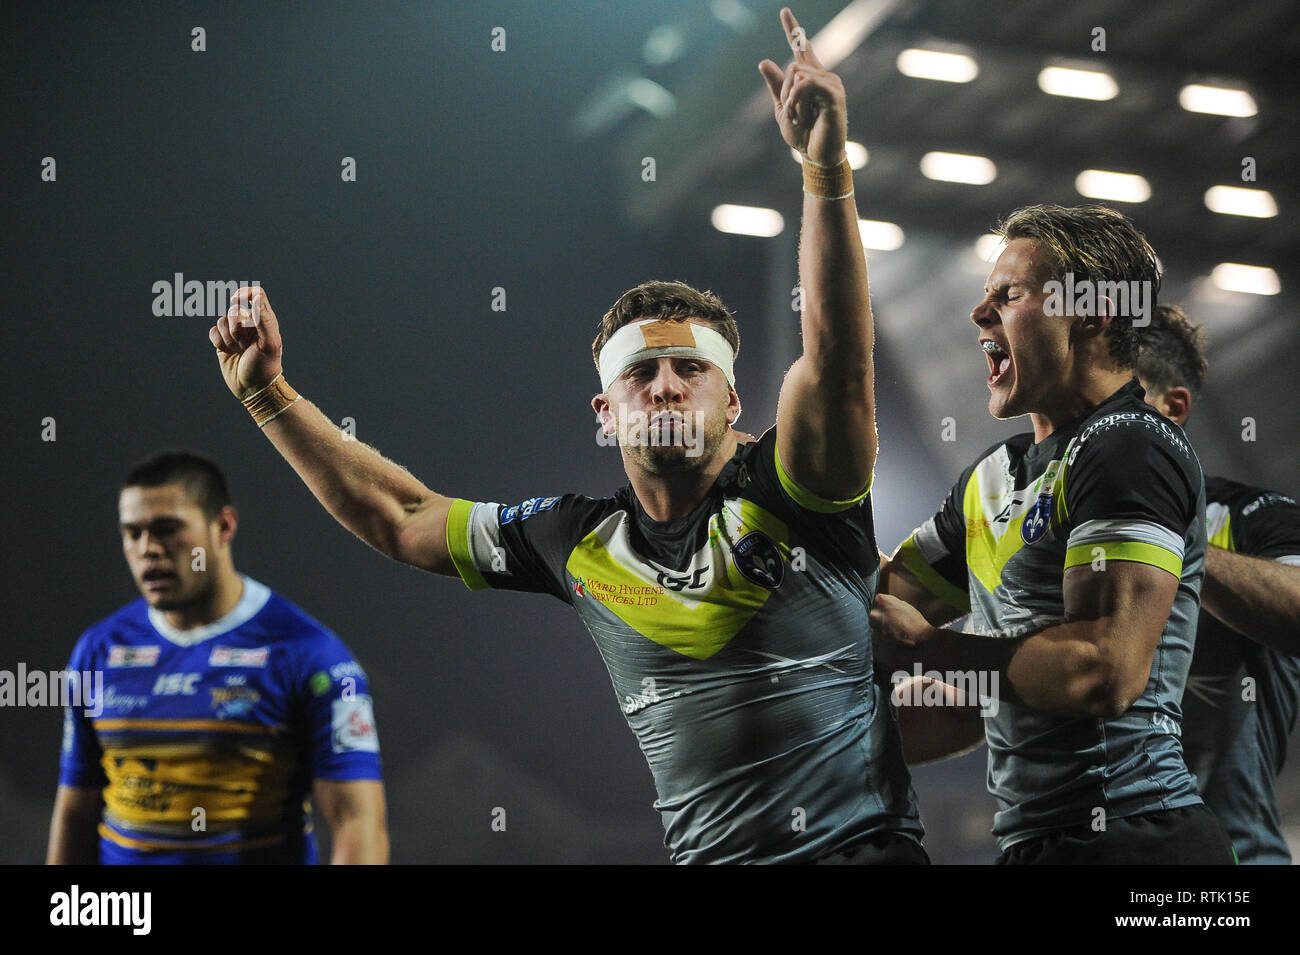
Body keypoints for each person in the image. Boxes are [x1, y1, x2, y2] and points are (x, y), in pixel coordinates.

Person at [204, 8, 924, 864]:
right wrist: (270, 399)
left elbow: (838, 357)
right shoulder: (577, 539)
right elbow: (402, 516)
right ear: (604, 413)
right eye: (639, 374)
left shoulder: (797, 483)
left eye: (690, 370)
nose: (663, 383)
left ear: (735, 402)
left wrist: (823, 167)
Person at [872, 204, 1235, 864]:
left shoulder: (1131, 444)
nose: (980, 314)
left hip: (1138, 840)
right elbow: (875, 599)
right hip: (1034, 842)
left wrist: (929, 649)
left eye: (1006, 295)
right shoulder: (991, 478)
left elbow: (1105, 670)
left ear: (1091, 312)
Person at [47, 450, 388, 865]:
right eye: (132, 533)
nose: (148, 549)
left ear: (223, 526)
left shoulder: (309, 654)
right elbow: (76, 810)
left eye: (167, 529)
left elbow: (358, 820)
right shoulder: (97, 650)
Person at [1136, 303, 1300, 863]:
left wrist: (1162, 542)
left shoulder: (1250, 516)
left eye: (1117, 401)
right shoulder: (1035, 527)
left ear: (1171, 407)